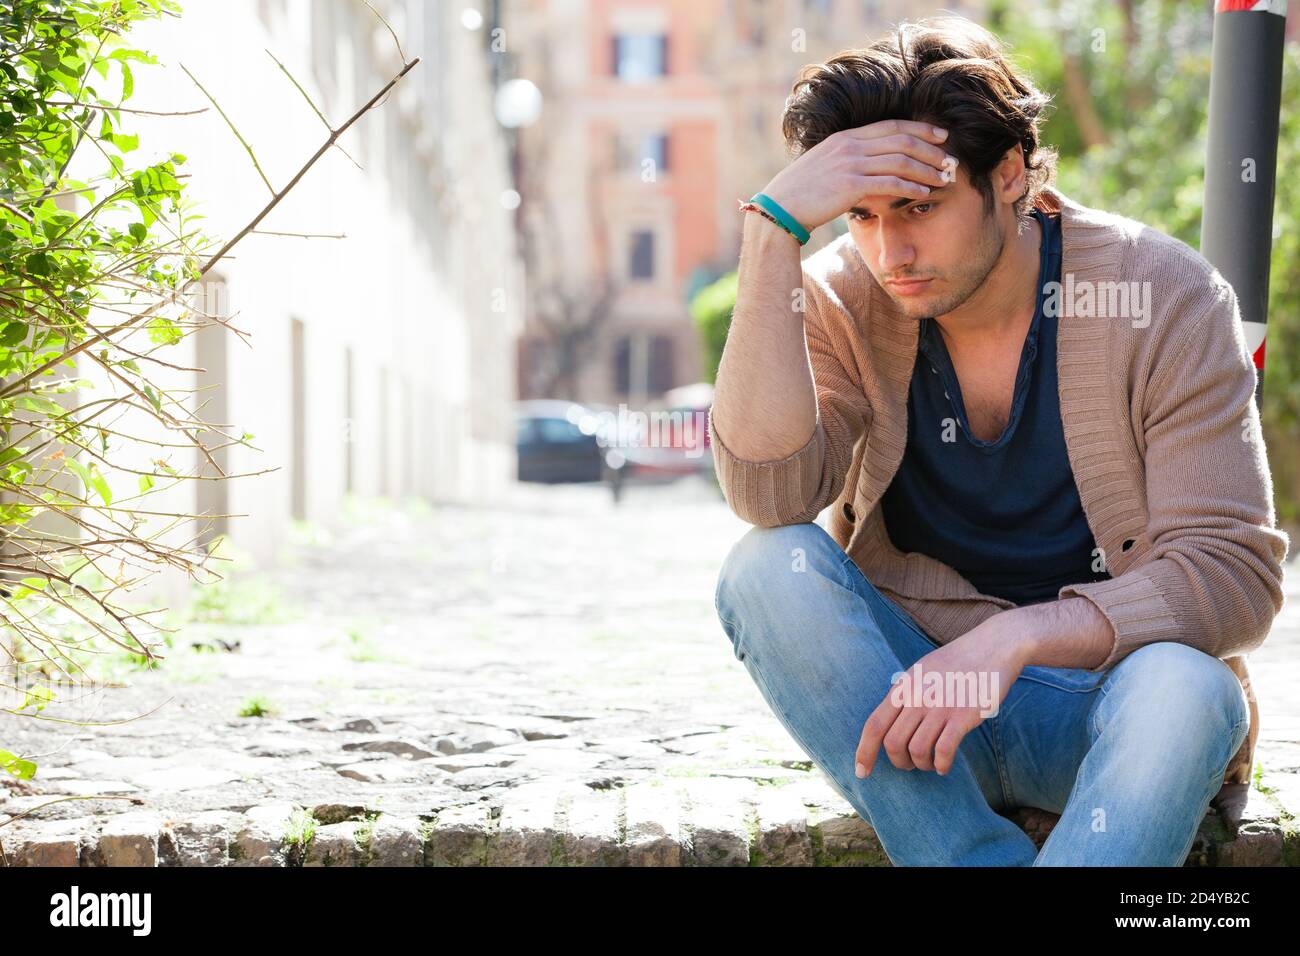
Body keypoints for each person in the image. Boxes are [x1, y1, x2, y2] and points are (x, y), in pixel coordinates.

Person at [709, 16, 1289, 866]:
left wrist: (1012, 640)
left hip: (1104, 715)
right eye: (860, 215)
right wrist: (772, 234)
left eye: (918, 207)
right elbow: (768, 495)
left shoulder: (1160, 294)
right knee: (766, 569)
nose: (889, 250)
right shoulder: (841, 300)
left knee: (1189, 686)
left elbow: (1233, 576)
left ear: (1009, 173)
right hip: (922, 725)